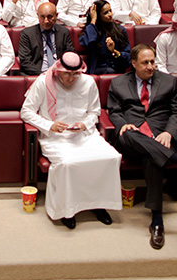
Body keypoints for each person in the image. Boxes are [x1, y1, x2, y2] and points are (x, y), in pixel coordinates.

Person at [107, 44, 177, 249]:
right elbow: (114, 112)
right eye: (145, 63)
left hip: (160, 137)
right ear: (133, 64)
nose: (151, 67)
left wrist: (169, 132)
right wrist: (123, 124)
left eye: (152, 62)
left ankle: (157, 221)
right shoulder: (118, 83)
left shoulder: (168, 82)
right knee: (129, 135)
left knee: (152, 156)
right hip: (131, 136)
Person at [21, 51, 121, 228]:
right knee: (68, 162)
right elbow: (26, 112)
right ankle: (67, 210)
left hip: (84, 135)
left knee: (111, 158)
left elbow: (95, 112)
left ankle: (98, 204)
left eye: (75, 74)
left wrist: (84, 124)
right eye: (67, 73)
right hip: (54, 137)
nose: (71, 78)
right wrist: (48, 125)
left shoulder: (88, 82)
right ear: (58, 69)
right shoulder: (44, 82)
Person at [18, 2, 75, 76]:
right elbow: (25, 61)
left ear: (56, 16)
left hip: (60, 75)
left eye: (50, 17)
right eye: (42, 17)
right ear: (38, 16)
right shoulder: (27, 34)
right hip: (37, 74)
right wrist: (43, 74)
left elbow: (70, 54)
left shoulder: (63, 32)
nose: (46, 21)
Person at [79, 0, 130, 74]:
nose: (110, 14)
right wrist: (93, 20)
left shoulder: (120, 30)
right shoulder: (89, 30)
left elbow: (128, 57)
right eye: (105, 13)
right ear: (98, 15)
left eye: (110, 11)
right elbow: (88, 43)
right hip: (96, 69)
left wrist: (114, 51)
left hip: (116, 68)